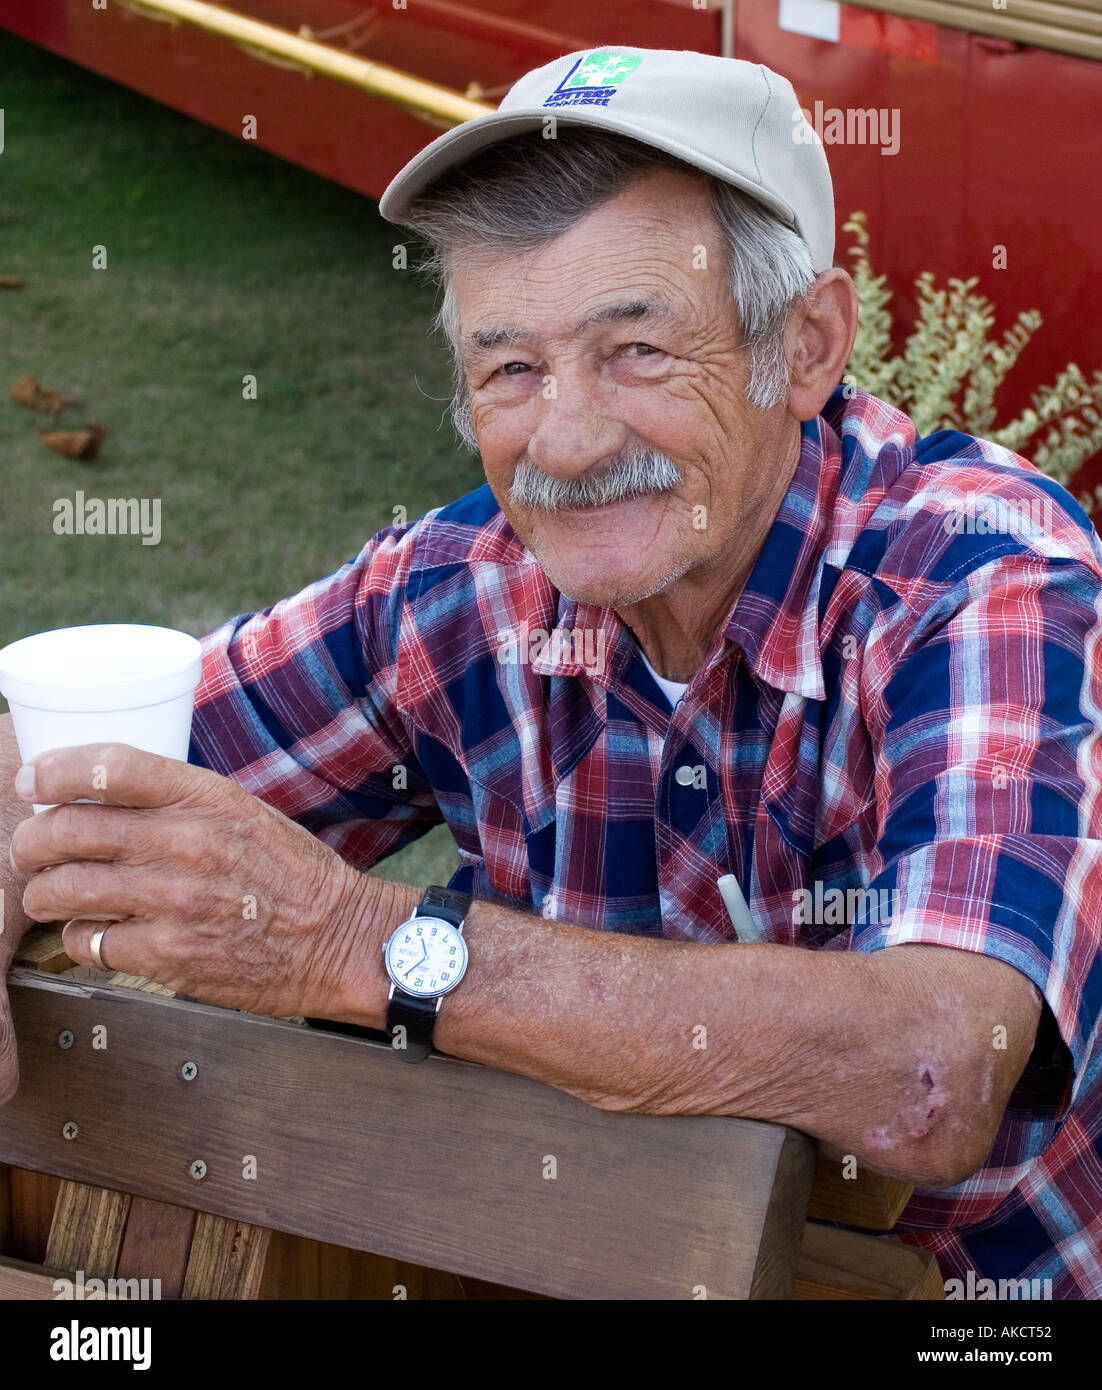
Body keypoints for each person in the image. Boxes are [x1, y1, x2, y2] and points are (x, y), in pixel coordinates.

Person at [2, 47, 1100, 1298]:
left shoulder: (977, 576)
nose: (564, 443)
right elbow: (65, 778)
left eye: (636, 350)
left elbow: (935, 1068)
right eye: (511, 368)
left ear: (805, 347)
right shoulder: (455, 585)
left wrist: (363, 944)